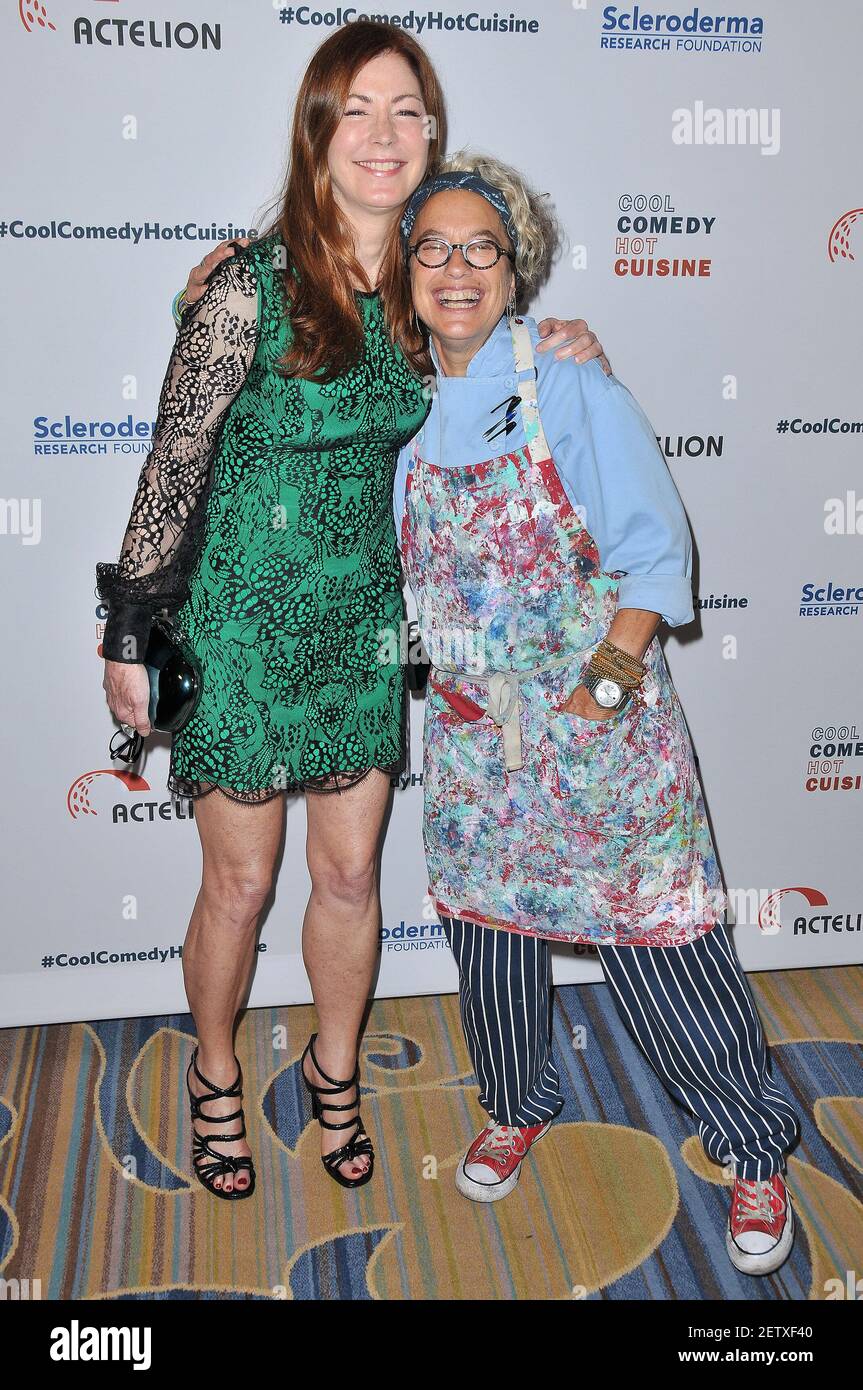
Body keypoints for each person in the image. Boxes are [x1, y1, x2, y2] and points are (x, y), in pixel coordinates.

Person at [97, 21, 607, 1199]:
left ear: (432, 132)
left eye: (407, 110)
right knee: (236, 883)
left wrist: (564, 344)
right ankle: (215, 1074)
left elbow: (505, 380)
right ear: (318, 133)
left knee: (347, 879)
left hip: (364, 628)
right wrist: (130, 633)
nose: (384, 134)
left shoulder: (433, 294)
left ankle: (338, 1073)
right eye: (358, 110)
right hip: (236, 626)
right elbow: (172, 465)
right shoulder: (245, 285)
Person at [393, 154, 801, 1276]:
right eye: (433, 248)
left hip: (597, 729)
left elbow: (654, 553)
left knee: (663, 946)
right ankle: (515, 1101)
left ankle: (753, 1146)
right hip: (476, 740)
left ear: (513, 265)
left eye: (481, 247)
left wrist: (602, 691)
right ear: (407, 268)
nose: (456, 268)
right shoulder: (395, 403)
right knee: (491, 940)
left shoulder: (571, 385)